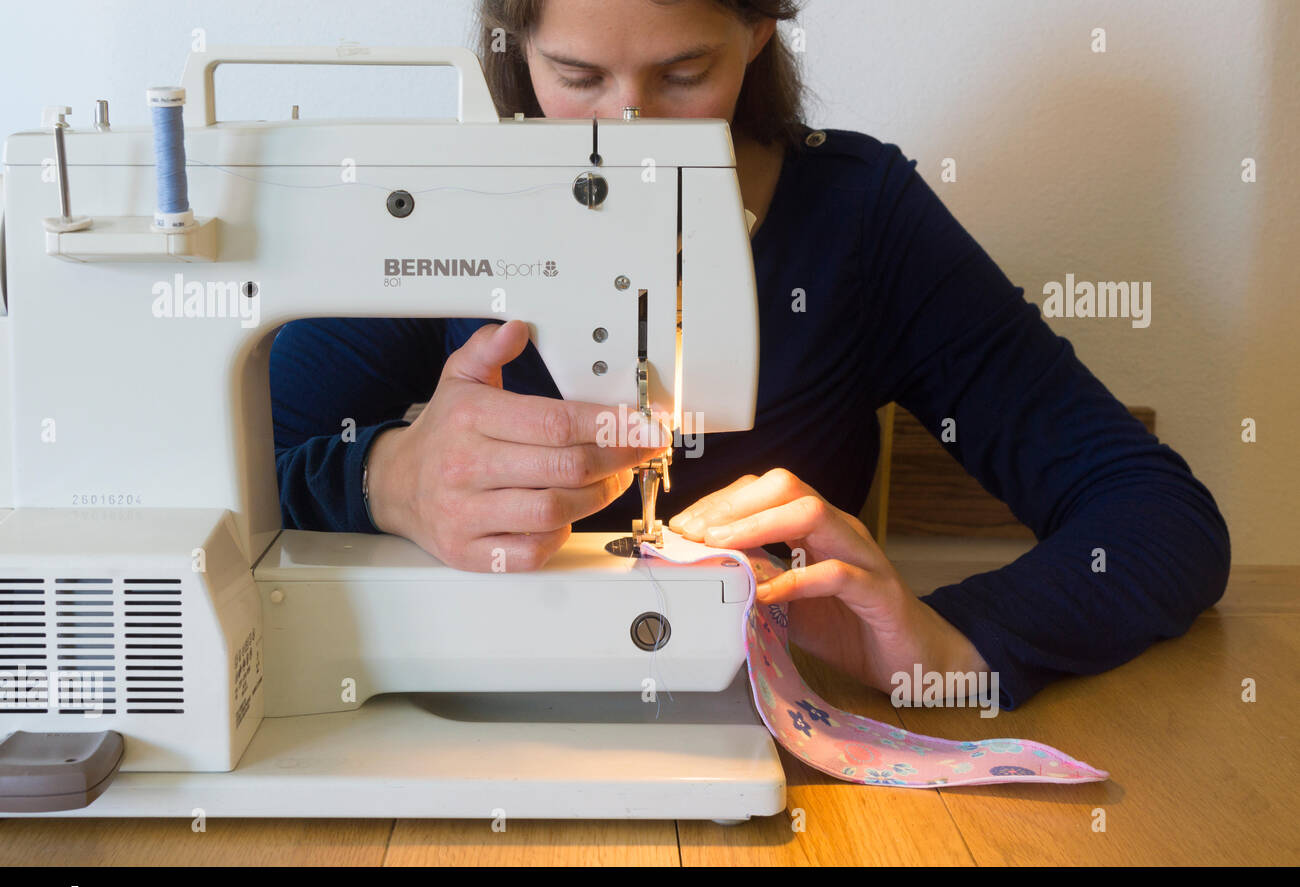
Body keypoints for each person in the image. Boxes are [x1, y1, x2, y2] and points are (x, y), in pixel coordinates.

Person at [270, 0, 1231, 709]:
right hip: (458, 714)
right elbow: (232, 475)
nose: (632, 133)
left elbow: (1160, 519)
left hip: (770, 723)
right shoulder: (432, 208)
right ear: (517, 51)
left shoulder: (862, 221)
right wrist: (387, 478)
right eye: (577, 78)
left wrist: (949, 647)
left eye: (684, 76)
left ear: (759, 33)